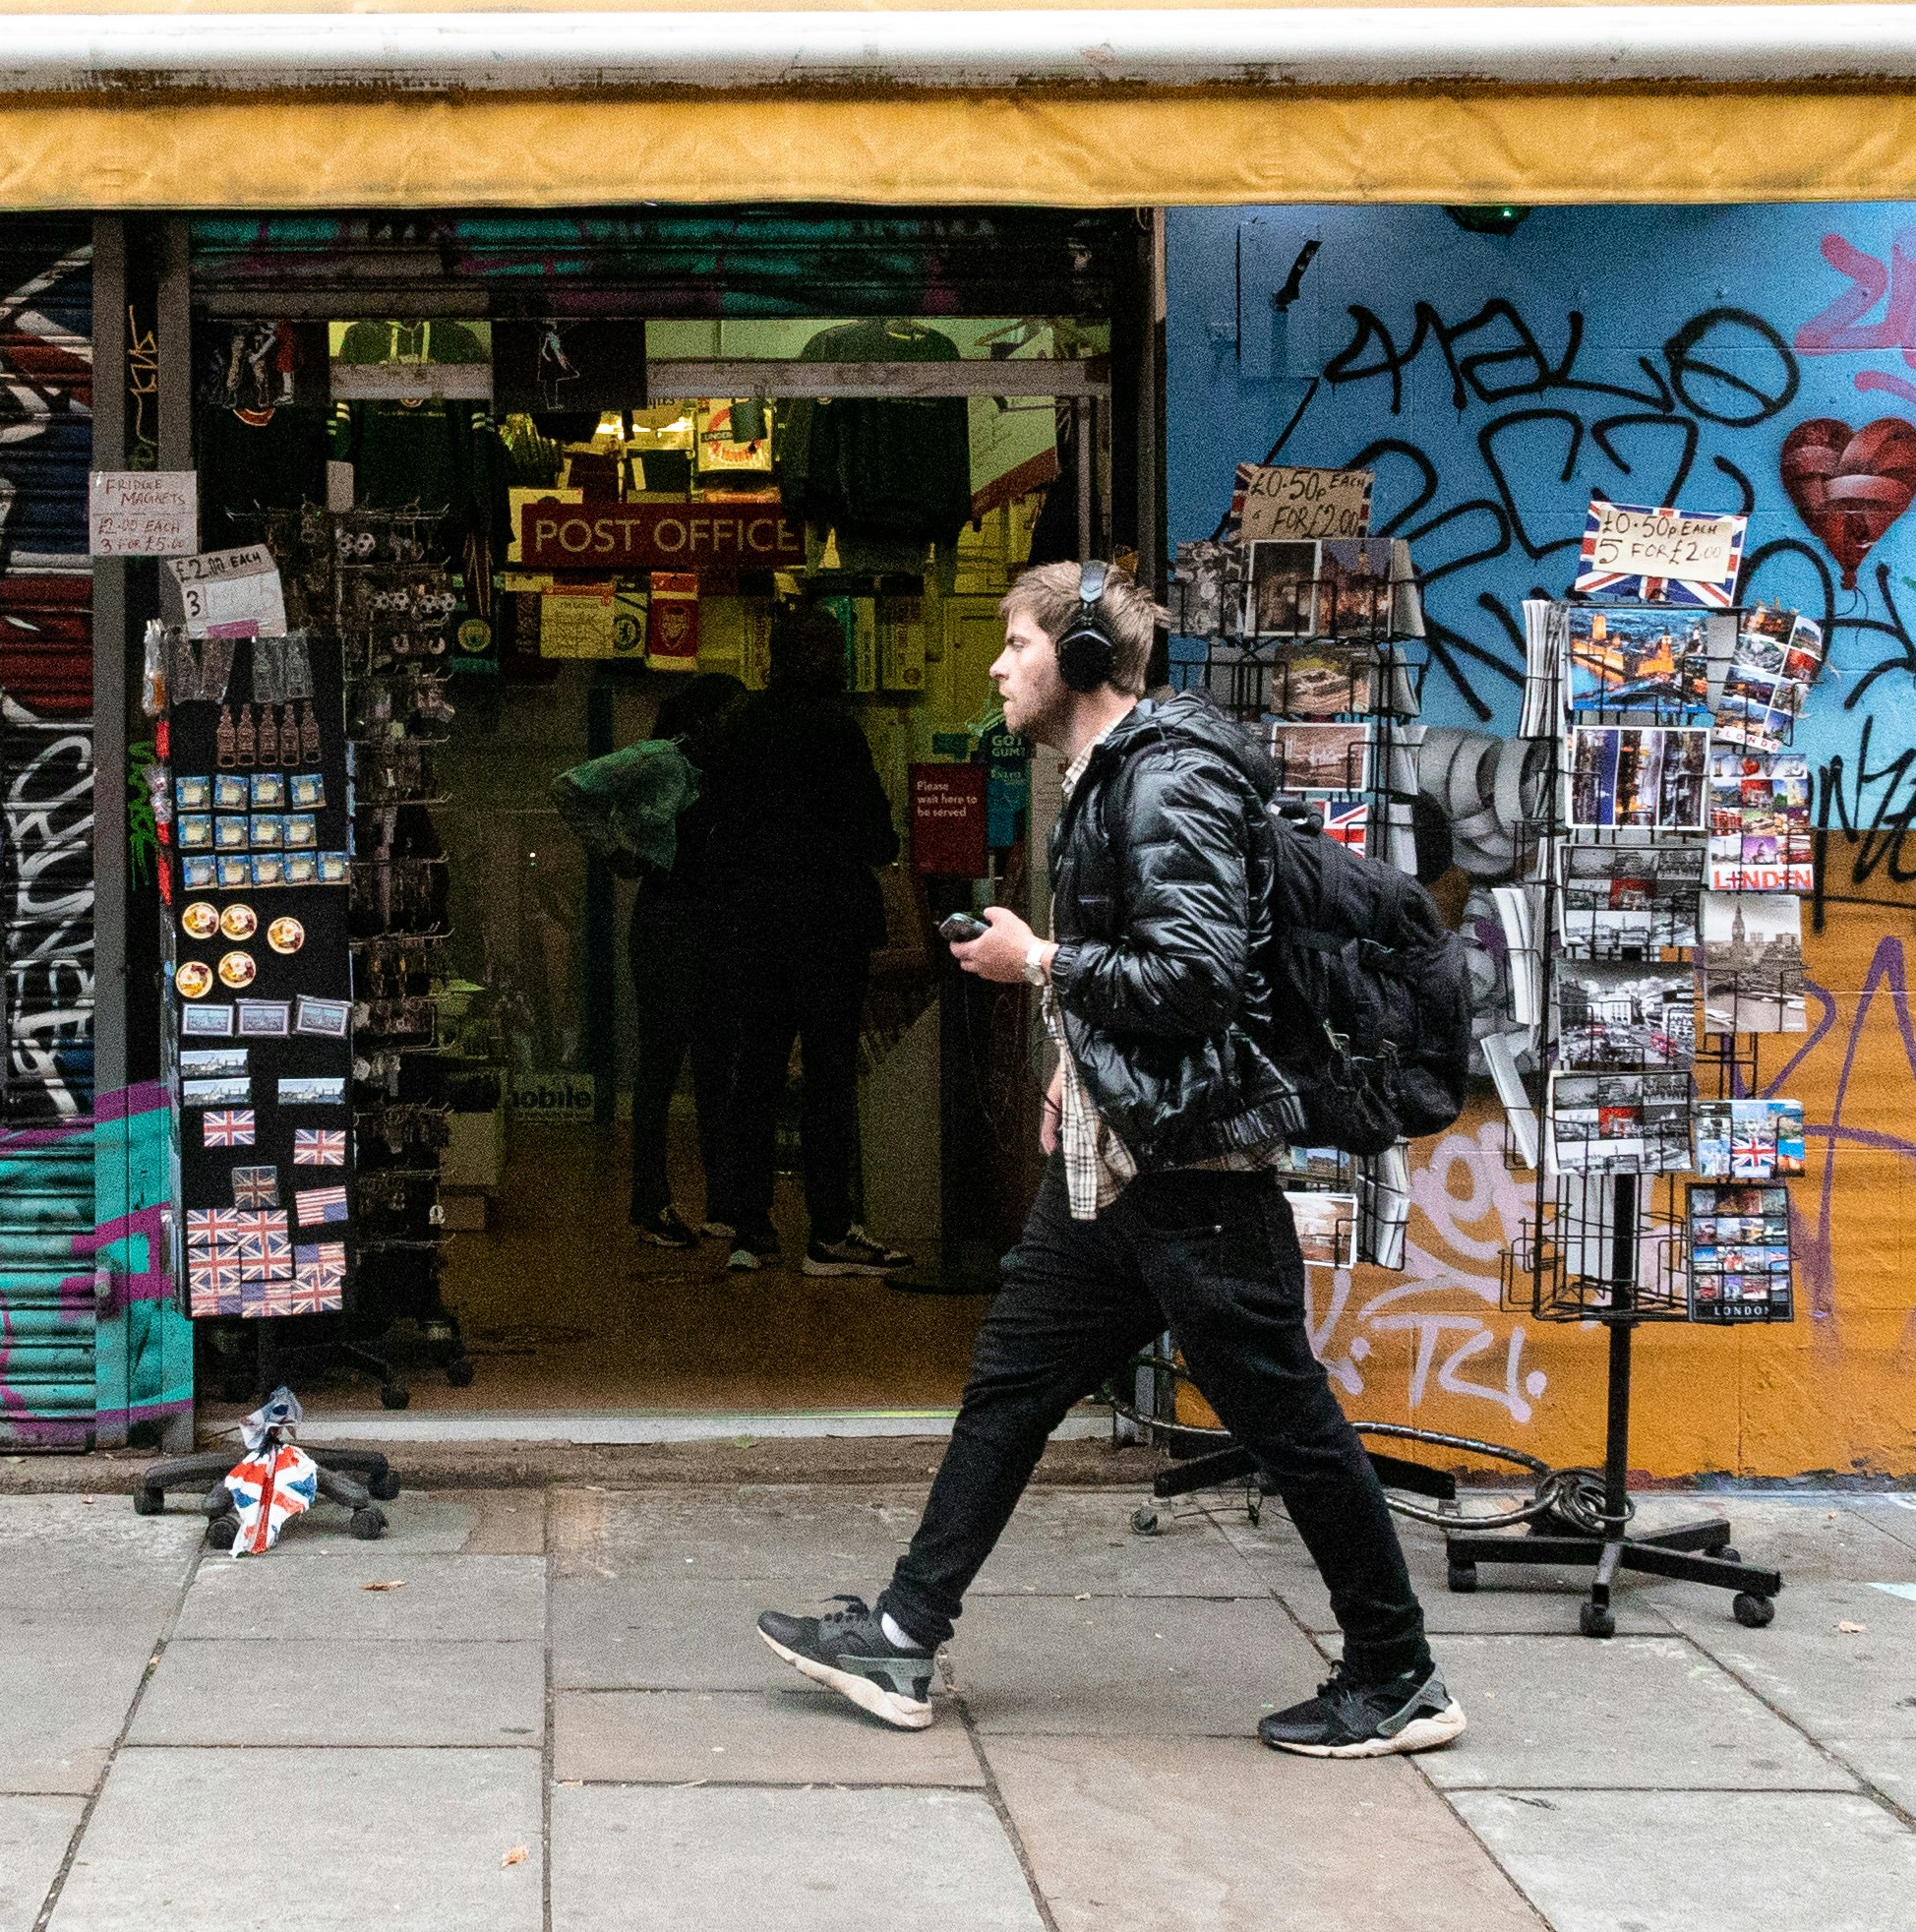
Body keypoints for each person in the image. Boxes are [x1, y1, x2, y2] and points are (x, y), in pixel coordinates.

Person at [753, 564, 1459, 1758]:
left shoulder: (1165, 784)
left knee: (1285, 1421)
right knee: (1013, 1386)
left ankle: (1397, 1674)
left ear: (1078, 662)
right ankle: (903, 1636)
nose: (998, 665)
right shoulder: (1112, 778)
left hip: (1191, 1170)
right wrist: (1075, 1075)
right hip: (1120, 1159)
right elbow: (1149, 965)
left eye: (1017, 643)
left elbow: (1192, 982)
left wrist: (1039, 966)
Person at [699, 607, 908, 1278]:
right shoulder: (837, 732)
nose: (843, 662)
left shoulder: (740, 728)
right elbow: (879, 837)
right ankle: (828, 1231)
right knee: (827, 1079)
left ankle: (749, 1228)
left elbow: (715, 831)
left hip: (755, 927)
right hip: (827, 927)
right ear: (821, 658)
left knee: (754, 1076)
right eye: (835, 651)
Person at [619, 673, 748, 1252]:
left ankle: (658, 1200)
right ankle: (706, 1200)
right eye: (733, 711)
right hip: (692, 923)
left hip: (669, 920)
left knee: (667, 1067)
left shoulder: (674, 766)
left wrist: (619, 853)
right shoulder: (691, 768)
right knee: (700, 1068)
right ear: (711, 717)